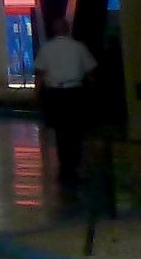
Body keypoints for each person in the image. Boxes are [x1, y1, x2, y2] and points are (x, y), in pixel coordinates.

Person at [34, 19, 98, 186]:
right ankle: (74, 166)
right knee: (75, 132)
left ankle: (64, 167)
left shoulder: (46, 49)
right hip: (74, 93)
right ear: (68, 29)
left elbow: (40, 73)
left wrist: (37, 93)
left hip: (55, 94)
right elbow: (91, 72)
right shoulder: (79, 47)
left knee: (61, 133)